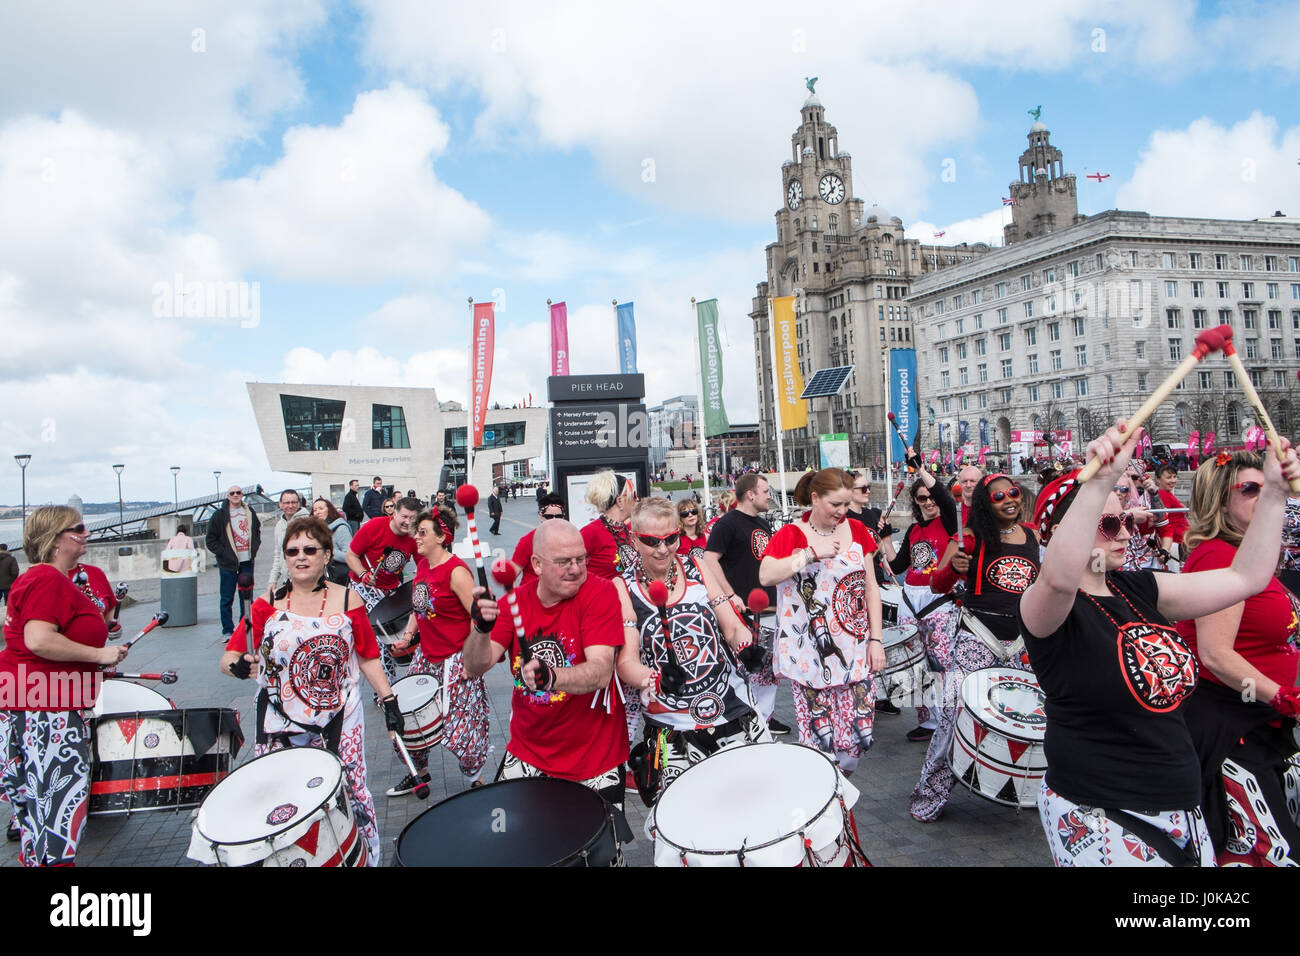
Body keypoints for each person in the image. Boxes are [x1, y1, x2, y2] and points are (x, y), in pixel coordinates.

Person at [1018, 421, 1300, 867]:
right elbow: (1058, 577)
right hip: (1102, 810)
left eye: (1128, 520)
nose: (1127, 533)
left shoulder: (1139, 588)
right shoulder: (1046, 606)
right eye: (1108, 524)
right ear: (1060, 530)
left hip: (1181, 806)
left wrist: (1274, 496)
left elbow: (1245, 577)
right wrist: (1102, 481)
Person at [220, 516, 401, 867]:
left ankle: (365, 859)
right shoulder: (266, 603)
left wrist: (389, 699)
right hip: (277, 721)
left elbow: (367, 656)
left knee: (350, 793)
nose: (300, 557)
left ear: (325, 555)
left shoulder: (349, 601)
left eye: (309, 550)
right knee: (281, 800)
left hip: (339, 720)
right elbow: (229, 658)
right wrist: (239, 666)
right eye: (292, 551)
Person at [1177, 451, 1300, 865]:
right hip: (1232, 731)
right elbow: (1215, 654)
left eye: (1267, 489)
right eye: (1249, 489)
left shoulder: (1249, 556)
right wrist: (1283, 696)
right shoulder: (1217, 557)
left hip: (1262, 725)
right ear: (1218, 500)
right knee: (1269, 854)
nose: (1261, 497)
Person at [462, 519, 630, 810]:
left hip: (594, 759)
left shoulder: (600, 593)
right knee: (510, 839)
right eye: (564, 562)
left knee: (597, 854)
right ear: (536, 565)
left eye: (581, 559)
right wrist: (480, 629)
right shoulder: (514, 604)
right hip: (529, 752)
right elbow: (475, 666)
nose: (576, 569)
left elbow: (600, 672)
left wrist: (551, 676)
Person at [614, 499, 768, 801]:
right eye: (651, 541)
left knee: (750, 811)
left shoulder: (697, 566)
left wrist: (745, 646)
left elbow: (731, 626)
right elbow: (626, 663)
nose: (662, 549)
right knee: (683, 826)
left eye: (670, 539)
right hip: (672, 728)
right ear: (634, 539)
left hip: (731, 711)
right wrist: (654, 679)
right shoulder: (623, 587)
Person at [0, 507, 129, 865]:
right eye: (79, 528)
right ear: (56, 539)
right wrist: (98, 655)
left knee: (37, 821)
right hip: (48, 715)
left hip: (34, 707)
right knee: (57, 816)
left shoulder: (39, 578)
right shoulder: (47, 580)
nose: (87, 534)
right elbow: (39, 640)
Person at [911, 473, 1040, 821]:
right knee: (954, 715)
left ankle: (1026, 791)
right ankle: (929, 795)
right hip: (976, 635)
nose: (1009, 500)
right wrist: (953, 569)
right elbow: (938, 585)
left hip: (1022, 640)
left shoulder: (1032, 535)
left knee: (1029, 718)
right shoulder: (967, 538)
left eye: (1013, 493)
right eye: (998, 497)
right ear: (985, 503)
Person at [759, 469, 885, 776]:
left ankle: (839, 786)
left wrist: (877, 640)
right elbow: (766, 575)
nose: (842, 512)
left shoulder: (857, 530)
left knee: (857, 741)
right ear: (815, 499)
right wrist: (809, 555)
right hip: (810, 657)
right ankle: (829, 806)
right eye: (835, 505)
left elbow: (871, 588)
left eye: (846, 504)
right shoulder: (791, 533)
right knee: (820, 746)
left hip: (855, 650)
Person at [388, 506, 493, 795]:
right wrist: (408, 636)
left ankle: (476, 779)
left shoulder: (456, 571)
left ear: (440, 537)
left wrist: (471, 662)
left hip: (456, 659)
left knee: (461, 725)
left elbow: (478, 619)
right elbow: (419, 607)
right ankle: (418, 773)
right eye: (416, 532)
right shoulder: (422, 566)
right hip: (426, 656)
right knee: (408, 717)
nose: (416, 537)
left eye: (422, 532)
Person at [880, 452, 961, 742]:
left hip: (938, 599)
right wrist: (885, 539)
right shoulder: (914, 529)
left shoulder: (952, 524)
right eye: (922, 498)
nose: (928, 502)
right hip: (910, 601)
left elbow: (945, 496)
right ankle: (927, 722)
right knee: (915, 664)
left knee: (942, 663)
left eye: (931, 497)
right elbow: (899, 566)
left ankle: (951, 721)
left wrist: (920, 469)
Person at [702, 473, 788, 734]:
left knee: (769, 670)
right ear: (750, 494)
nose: (768, 495)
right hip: (742, 612)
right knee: (745, 670)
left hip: (769, 607)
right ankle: (745, 721)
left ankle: (765, 718)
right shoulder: (727, 524)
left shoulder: (762, 523)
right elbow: (709, 559)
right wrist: (729, 594)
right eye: (764, 491)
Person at [205, 485, 261, 639]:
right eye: (232, 493)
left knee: (247, 596)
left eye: (238, 492)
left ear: (242, 495)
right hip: (228, 564)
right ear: (228, 496)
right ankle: (227, 630)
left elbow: (257, 531)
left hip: (247, 561)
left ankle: (245, 627)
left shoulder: (249, 513)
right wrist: (223, 553)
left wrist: (254, 547)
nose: (236, 495)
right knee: (226, 597)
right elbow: (210, 539)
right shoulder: (219, 515)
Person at [580, 470, 637, 580]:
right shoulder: (591, 533)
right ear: (620, 501)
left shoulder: (629, 529)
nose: (637, 499)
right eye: (633, 495)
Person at [512, 493, 565, 586]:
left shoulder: (570, 539)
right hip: (531, 595)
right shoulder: (528, 541)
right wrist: (515, 598)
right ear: (541, 516)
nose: (554, 520)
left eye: (559, 516)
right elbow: (512, 575)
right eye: (549, 516)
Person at [266, 489, 309, 594]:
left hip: (306, 581)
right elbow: (278, 554)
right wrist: (273, 580)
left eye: (293, 502)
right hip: (287, 581)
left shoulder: (308, 522)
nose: (290, 506)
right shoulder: (279, 526)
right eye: (286, 503)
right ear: (280, 504)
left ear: (299, 503)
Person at [312, 497, 352, 585]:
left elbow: (349, 556)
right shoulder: (313, 531)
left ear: (329, 510)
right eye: (315, 510)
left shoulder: (340, 528)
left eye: (321, 509)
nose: (317, 512)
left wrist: (327, 551)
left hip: (337, 579)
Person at [1153, 464, 1187, 560]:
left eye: (1174, 477)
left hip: (1177, 541)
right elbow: (1162, 520)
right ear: (1158, 479)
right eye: (1168, 477)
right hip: (1174, 543)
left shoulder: (1165, 493)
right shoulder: (1162, 494)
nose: (1173, 480)